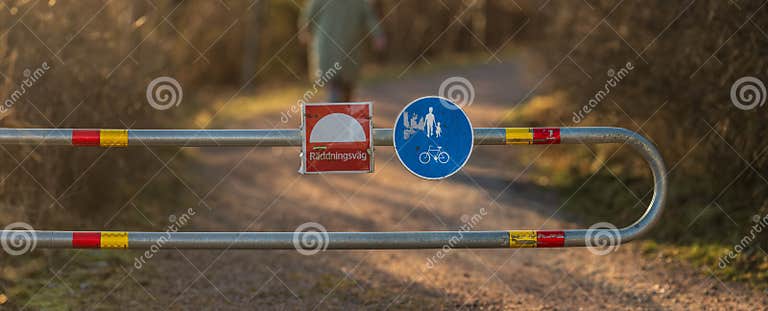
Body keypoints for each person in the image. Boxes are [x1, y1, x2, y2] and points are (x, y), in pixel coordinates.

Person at [299, 0, 386, 102]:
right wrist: (378, 36)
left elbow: (307, 19)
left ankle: (337, 110)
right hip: (346, 51)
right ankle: (339, 110)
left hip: (331, 50)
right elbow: (370, 19)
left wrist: (305, 32)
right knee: (339, 86)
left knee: (339, 86)